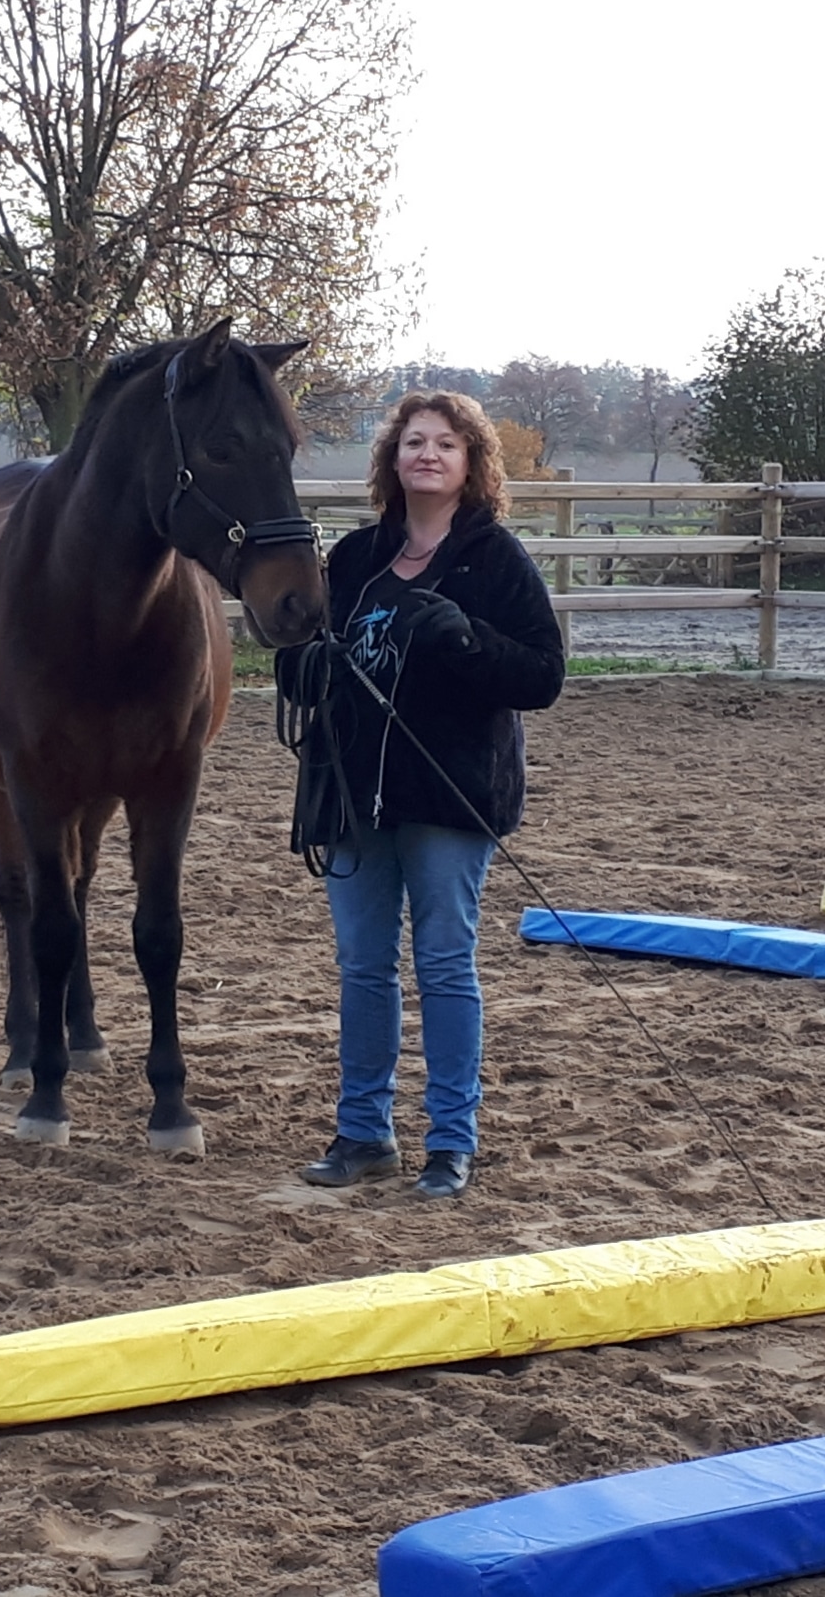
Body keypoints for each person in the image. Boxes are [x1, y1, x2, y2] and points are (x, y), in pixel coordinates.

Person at [276, 390, 565, 1199]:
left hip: (451, 796)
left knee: (444, 965)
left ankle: (450, 1142)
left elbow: (543, 675)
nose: (427, 455)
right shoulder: (357, 557)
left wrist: (467, 639)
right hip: (353, 797)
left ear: (471, 462)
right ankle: (363, 1132)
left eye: (444, 443)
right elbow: (301, 657)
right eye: (413, 443)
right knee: (363, 968)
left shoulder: (496, 560)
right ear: (392, 459)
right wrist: (303, 667)